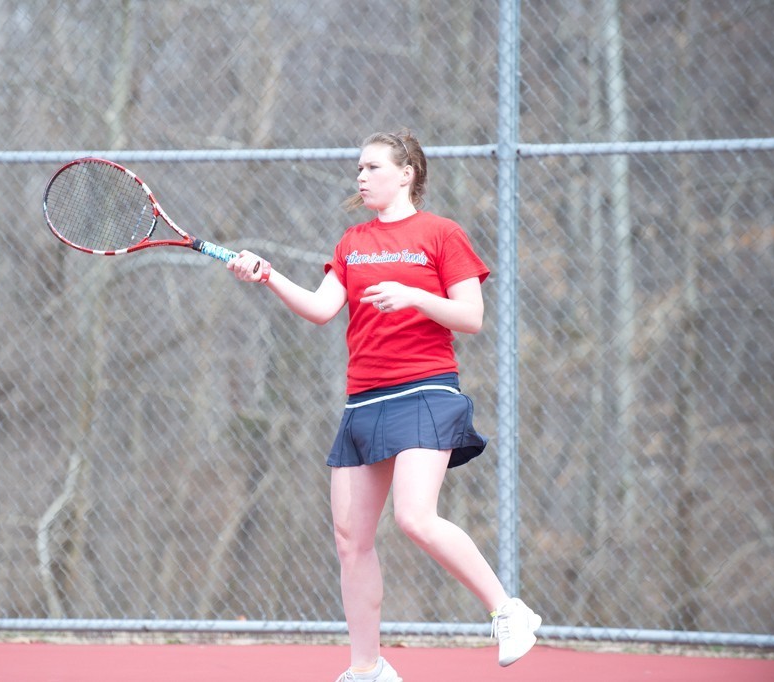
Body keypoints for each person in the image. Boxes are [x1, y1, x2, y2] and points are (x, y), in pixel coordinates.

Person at [227, 129, 542, 681]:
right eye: (358, 169)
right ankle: (367, 669)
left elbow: (471, 316)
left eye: (372, 167)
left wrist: (415, 295)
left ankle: (508, 611)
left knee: (415, 517)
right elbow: (323, 309)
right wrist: (269, 275)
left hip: (425, 389)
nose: (361, 177)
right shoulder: (352, 241)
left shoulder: (442, 234)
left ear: (407, 173)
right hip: (363, 399)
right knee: (351, 540)